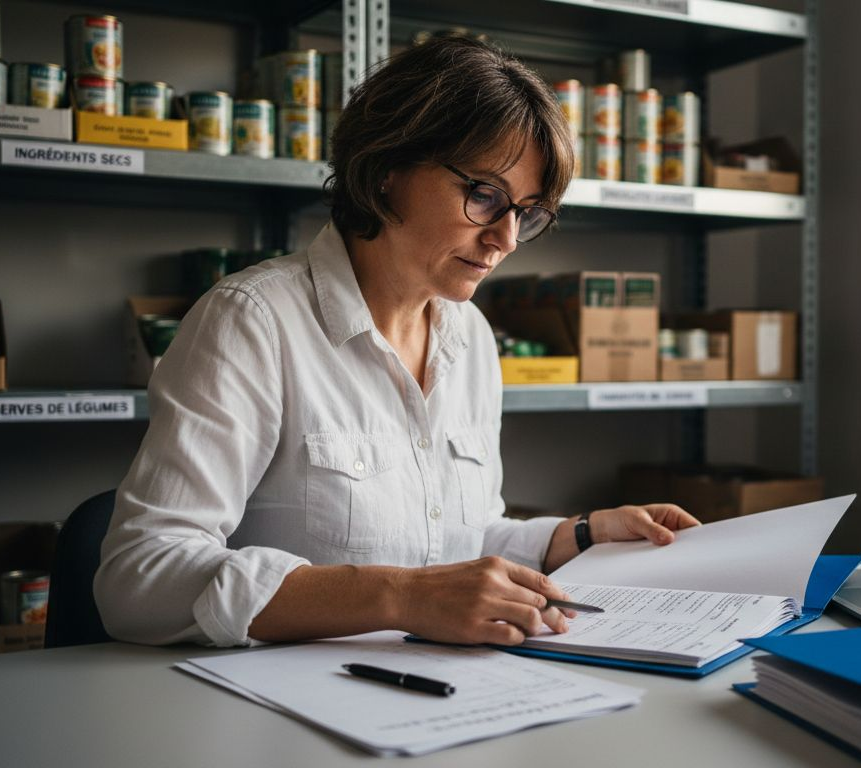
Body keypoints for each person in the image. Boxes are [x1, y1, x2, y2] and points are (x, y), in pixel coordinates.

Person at [94, 37, 700, 648]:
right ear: (387, 171)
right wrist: (400, 597)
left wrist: (583, 536)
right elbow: (139, 579)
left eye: (527, 212)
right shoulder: (253, 321)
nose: (506, 240)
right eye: (485, 195)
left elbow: (455, 542)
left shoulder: (471, 337)